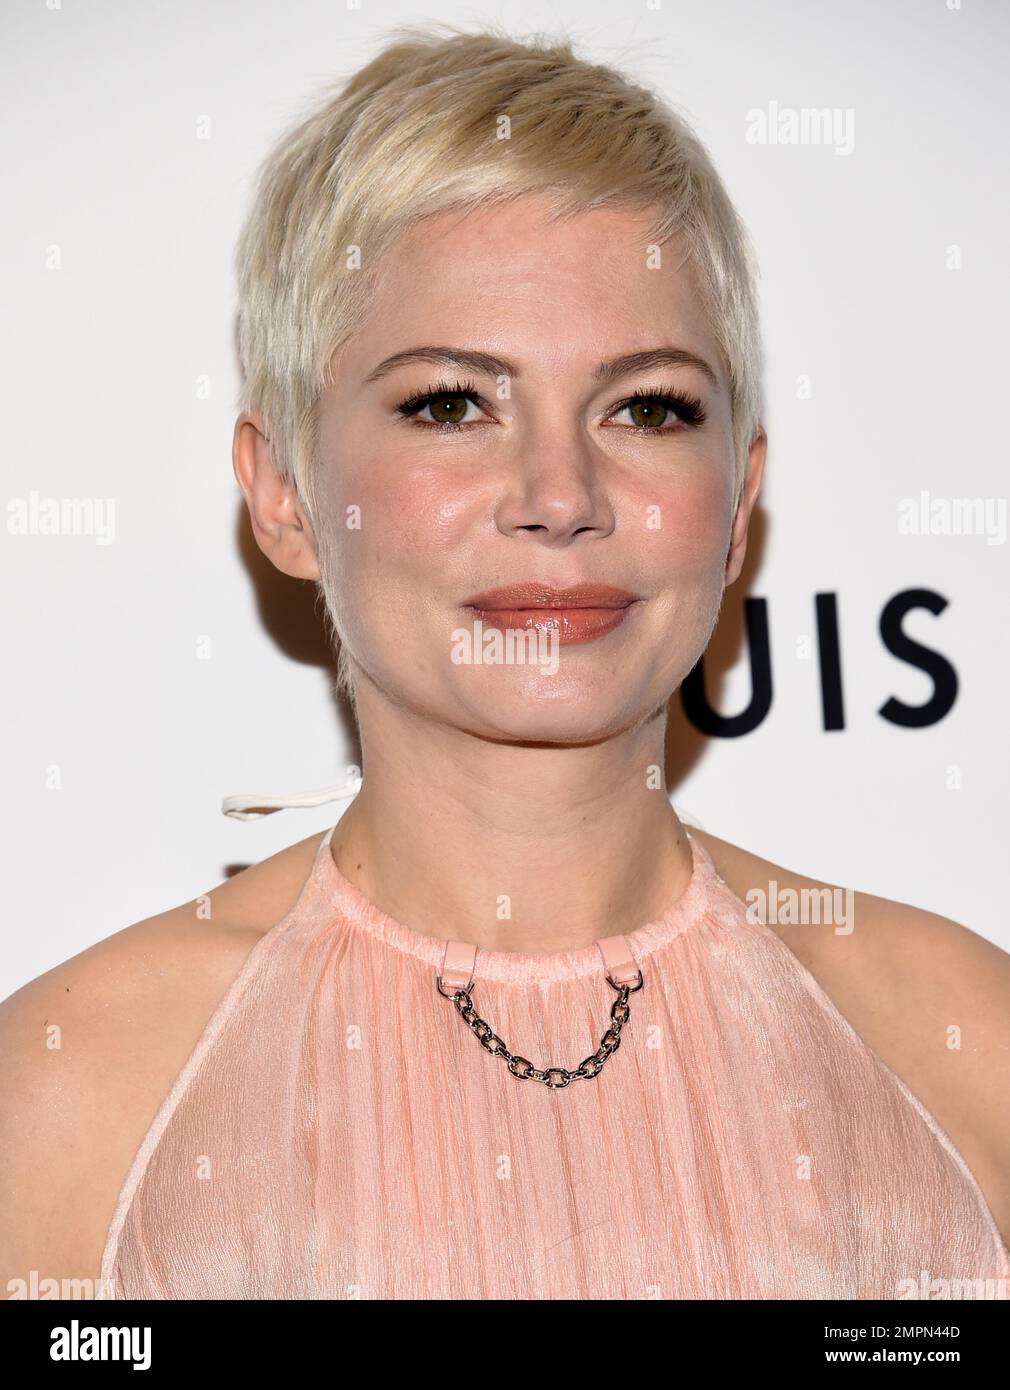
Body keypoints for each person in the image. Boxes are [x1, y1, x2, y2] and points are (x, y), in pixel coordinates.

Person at [3, 23, 1009, 1302]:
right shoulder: (70, 1093)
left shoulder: (963, 1043)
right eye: (449, 403)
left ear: (738, 498)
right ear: (286, 497)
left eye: (647, 405)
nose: (558, 493)